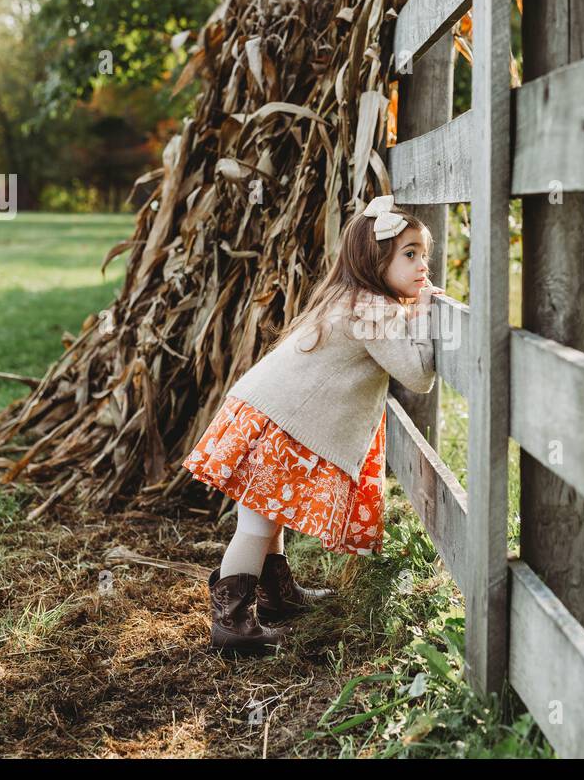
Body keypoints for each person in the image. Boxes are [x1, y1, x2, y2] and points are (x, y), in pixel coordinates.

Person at [182, 194, 443, 655]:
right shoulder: (374, 310)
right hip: (280, 425)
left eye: (425, 255)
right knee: (256, 527)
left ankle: (276, 594)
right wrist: (422, 314)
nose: (424, 266)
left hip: (267, 414)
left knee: (265, 517)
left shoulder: (353, 298)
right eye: (410, 254)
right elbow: (418, 375)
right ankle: (232, 624)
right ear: (374, 257)